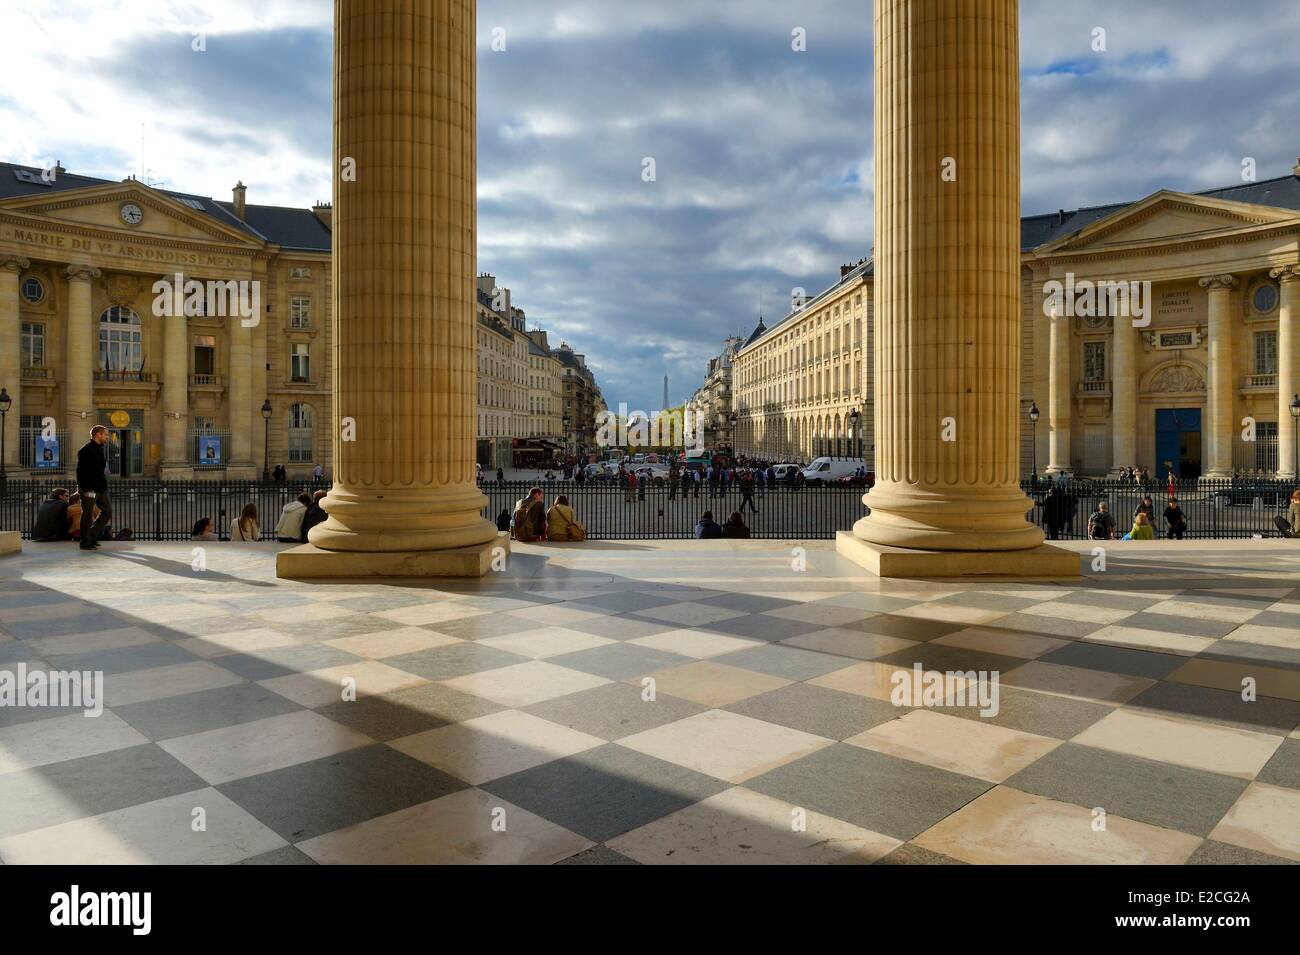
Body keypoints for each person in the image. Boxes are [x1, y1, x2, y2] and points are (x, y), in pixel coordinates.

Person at [74, 425, 112, 551]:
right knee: (87, 514)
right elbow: (80, 472)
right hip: (90, 489)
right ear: (98, 435)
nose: (107, 437)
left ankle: (91, 536)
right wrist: (85, 489)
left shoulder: (100, 449)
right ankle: (85, 542)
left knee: (107, 511)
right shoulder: (85, 450)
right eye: (105, 435)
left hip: (101, 488)